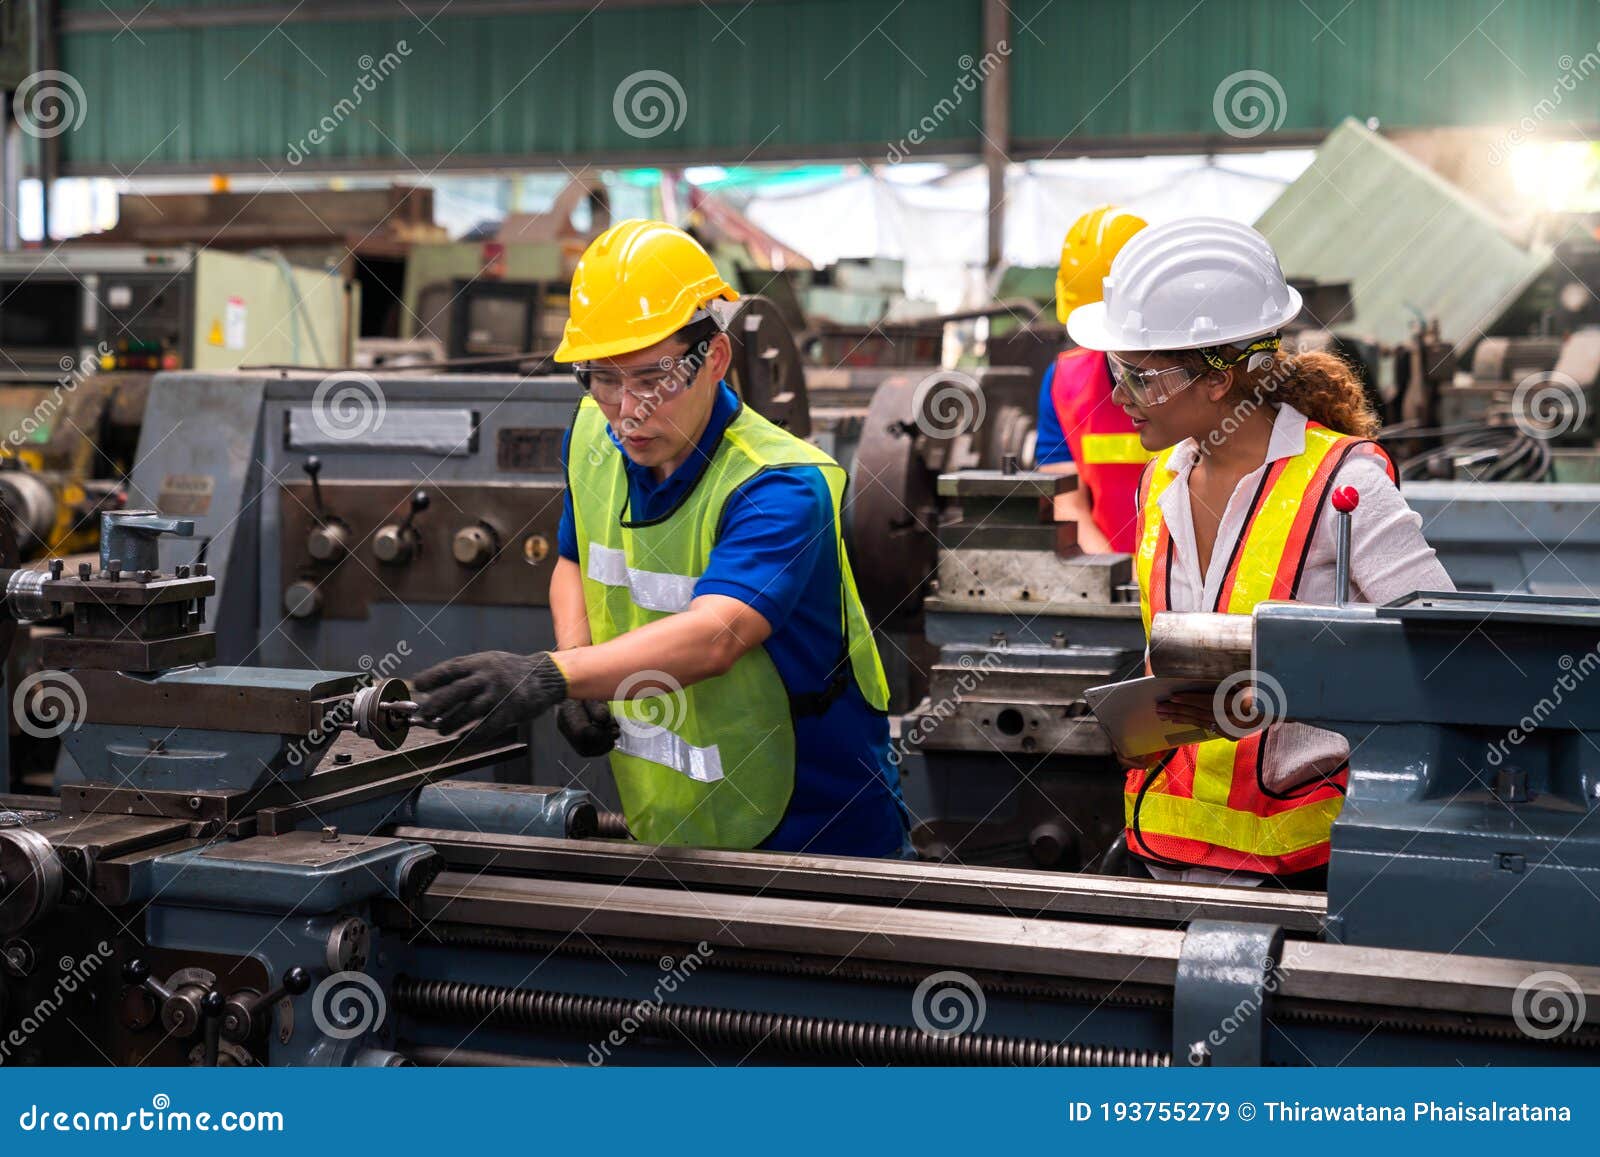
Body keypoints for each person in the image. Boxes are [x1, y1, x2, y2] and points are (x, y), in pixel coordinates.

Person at [411, 219, 906, 857]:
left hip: (817, 836)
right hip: (674, 829)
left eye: (653, 378)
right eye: (604, 378)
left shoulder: (782, 486)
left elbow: (716, 636)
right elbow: (574, 557)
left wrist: (553, 675)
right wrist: (579, 659)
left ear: (716, 359)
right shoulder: (594, 436)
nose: (627, 410)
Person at [1065, 217, 1454, 889]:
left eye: (1140, 376)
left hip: (1302, 868)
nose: (1119, 395)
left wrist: (1297, 681)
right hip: (1167, 850)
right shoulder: (1161, 482)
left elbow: (1448, 655)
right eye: (1114, 369)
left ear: (1218, 381)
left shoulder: (1344, 483)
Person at [1034, 206, 1152, 552]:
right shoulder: (1064, 381)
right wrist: (1114, 578)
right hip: (1110, 571)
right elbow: (1068, 504)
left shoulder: (1199, 378)